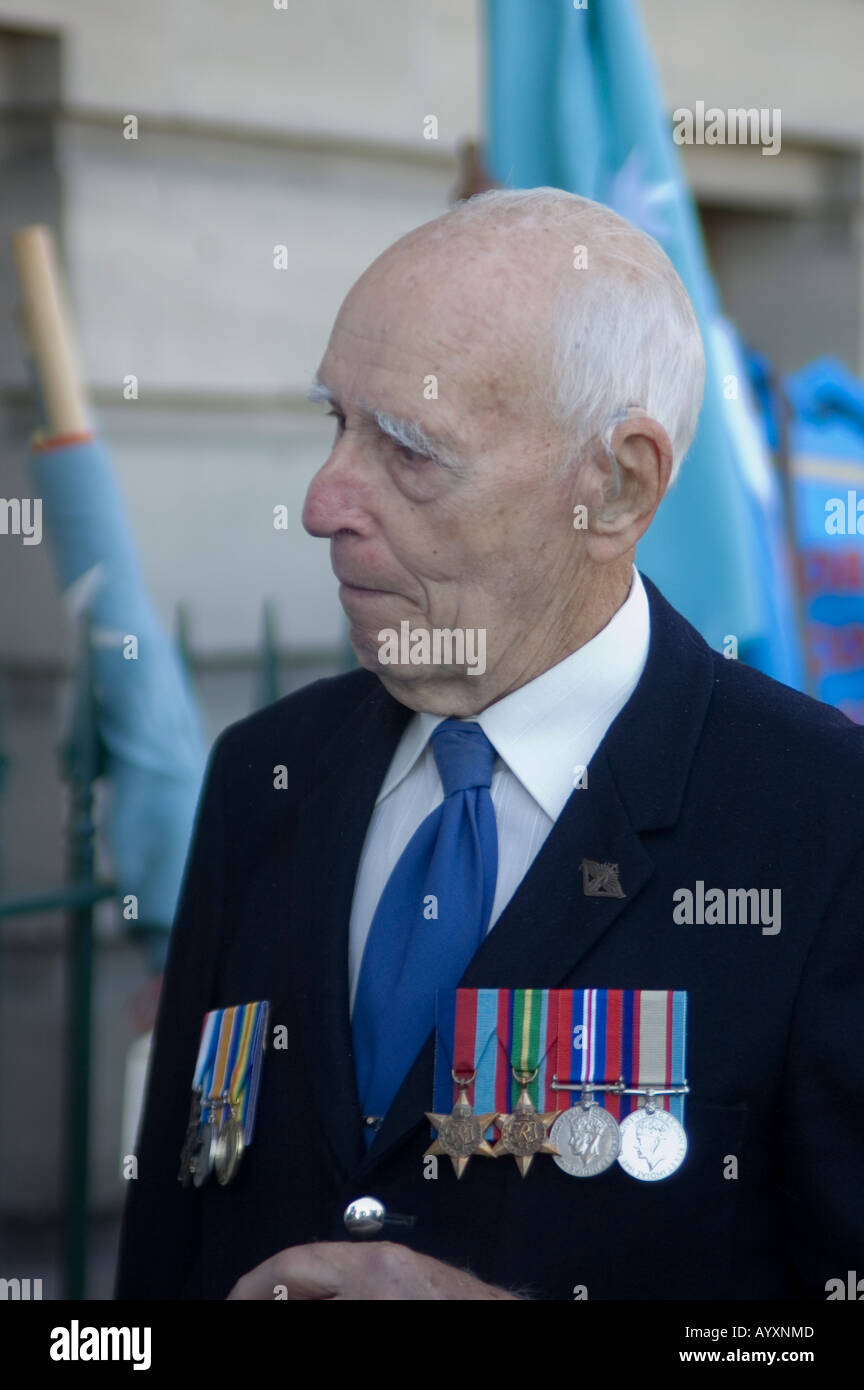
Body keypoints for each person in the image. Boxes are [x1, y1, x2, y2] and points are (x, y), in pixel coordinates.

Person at [116, 188, 864, 1301]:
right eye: (338, 423)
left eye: (410, 450)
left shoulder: (821, 821)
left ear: (615, 488)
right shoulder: (266, 774)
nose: (324, 502)